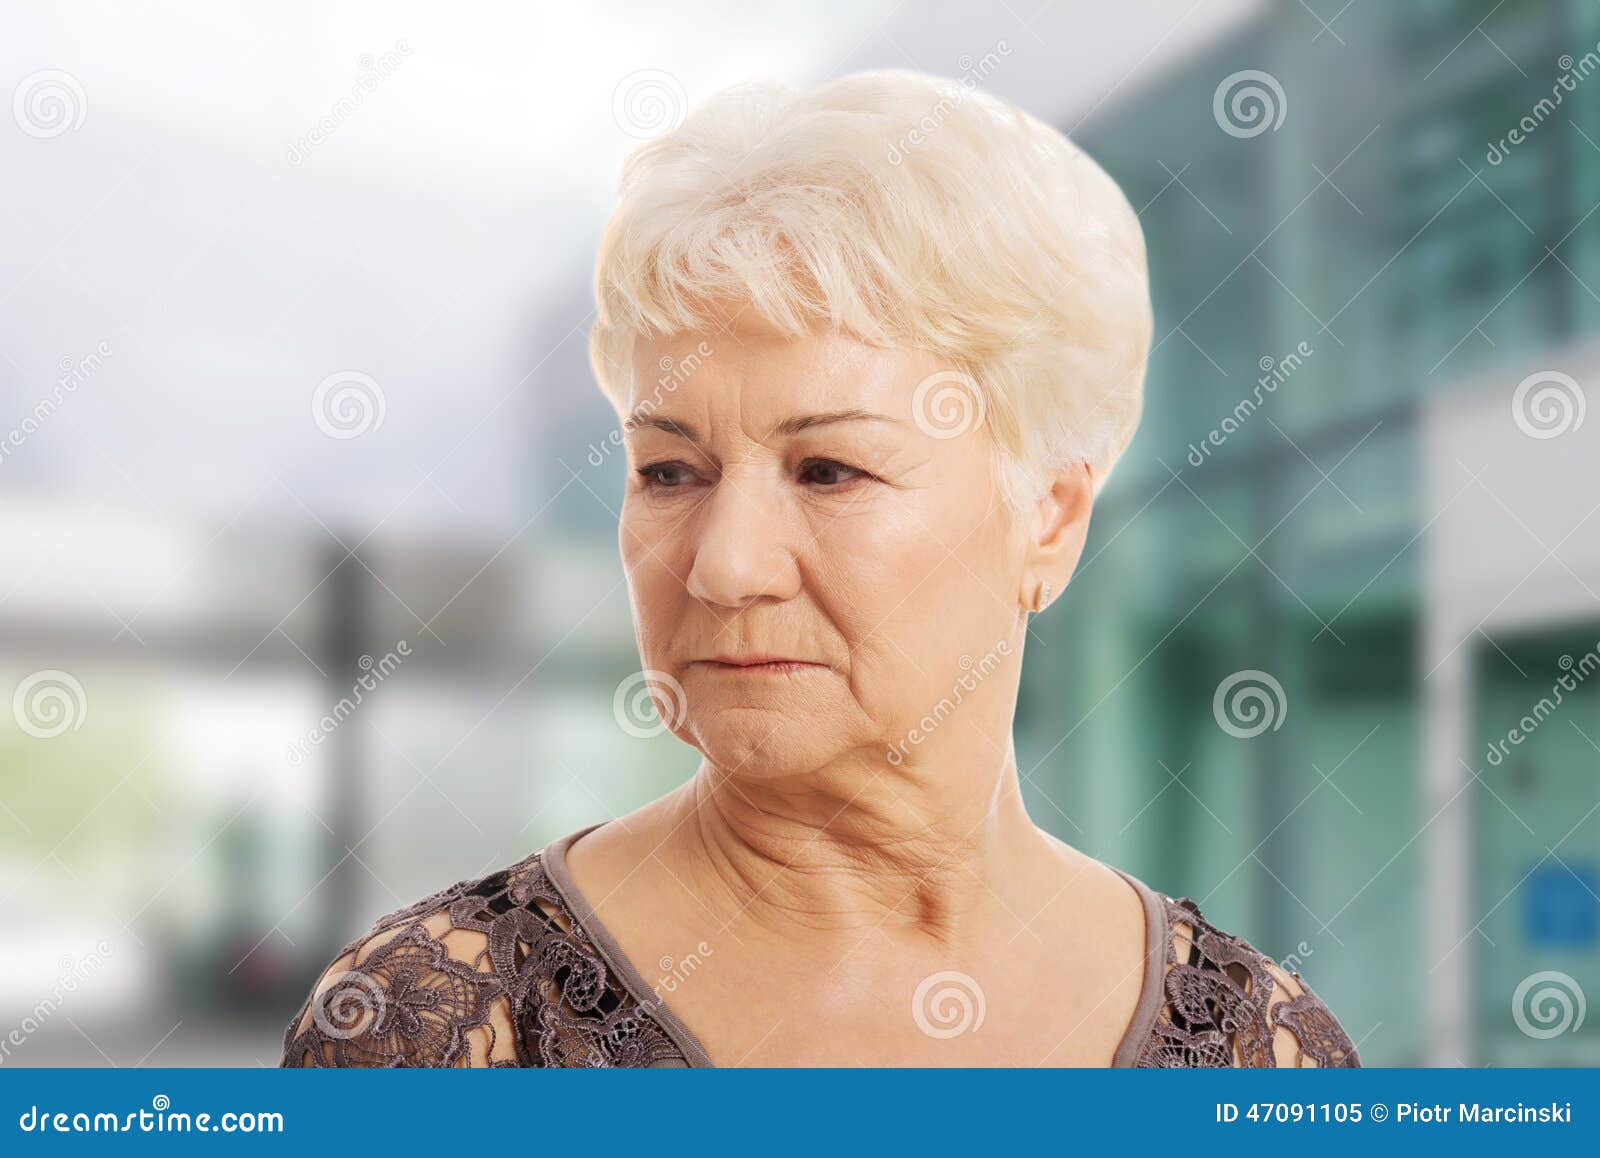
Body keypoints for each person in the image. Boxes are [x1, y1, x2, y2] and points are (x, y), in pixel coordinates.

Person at [281, 69, 1358, 1069]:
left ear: (1050, 518)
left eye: (830, 469)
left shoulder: (1263, 1045)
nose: (725, 566)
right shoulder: (432, 1030)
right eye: (669, 470)